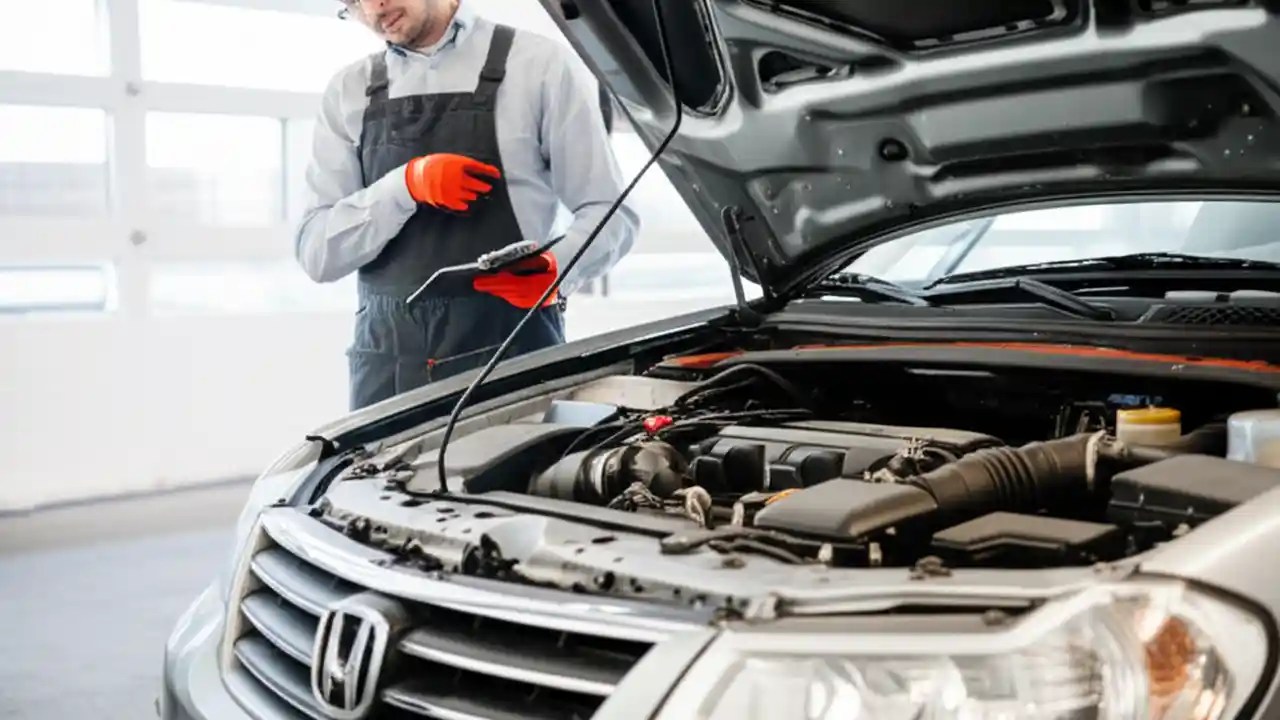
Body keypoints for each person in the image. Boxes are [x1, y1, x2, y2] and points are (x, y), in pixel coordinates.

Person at [294, 0, 639, 410]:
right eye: (352, 2)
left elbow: (611, 210)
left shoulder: (539, 65)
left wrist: (560, 267)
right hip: (388, 373)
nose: (372, 9)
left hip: (511, 358)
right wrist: (404, 186)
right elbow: (317, 252)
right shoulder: (348, 91)